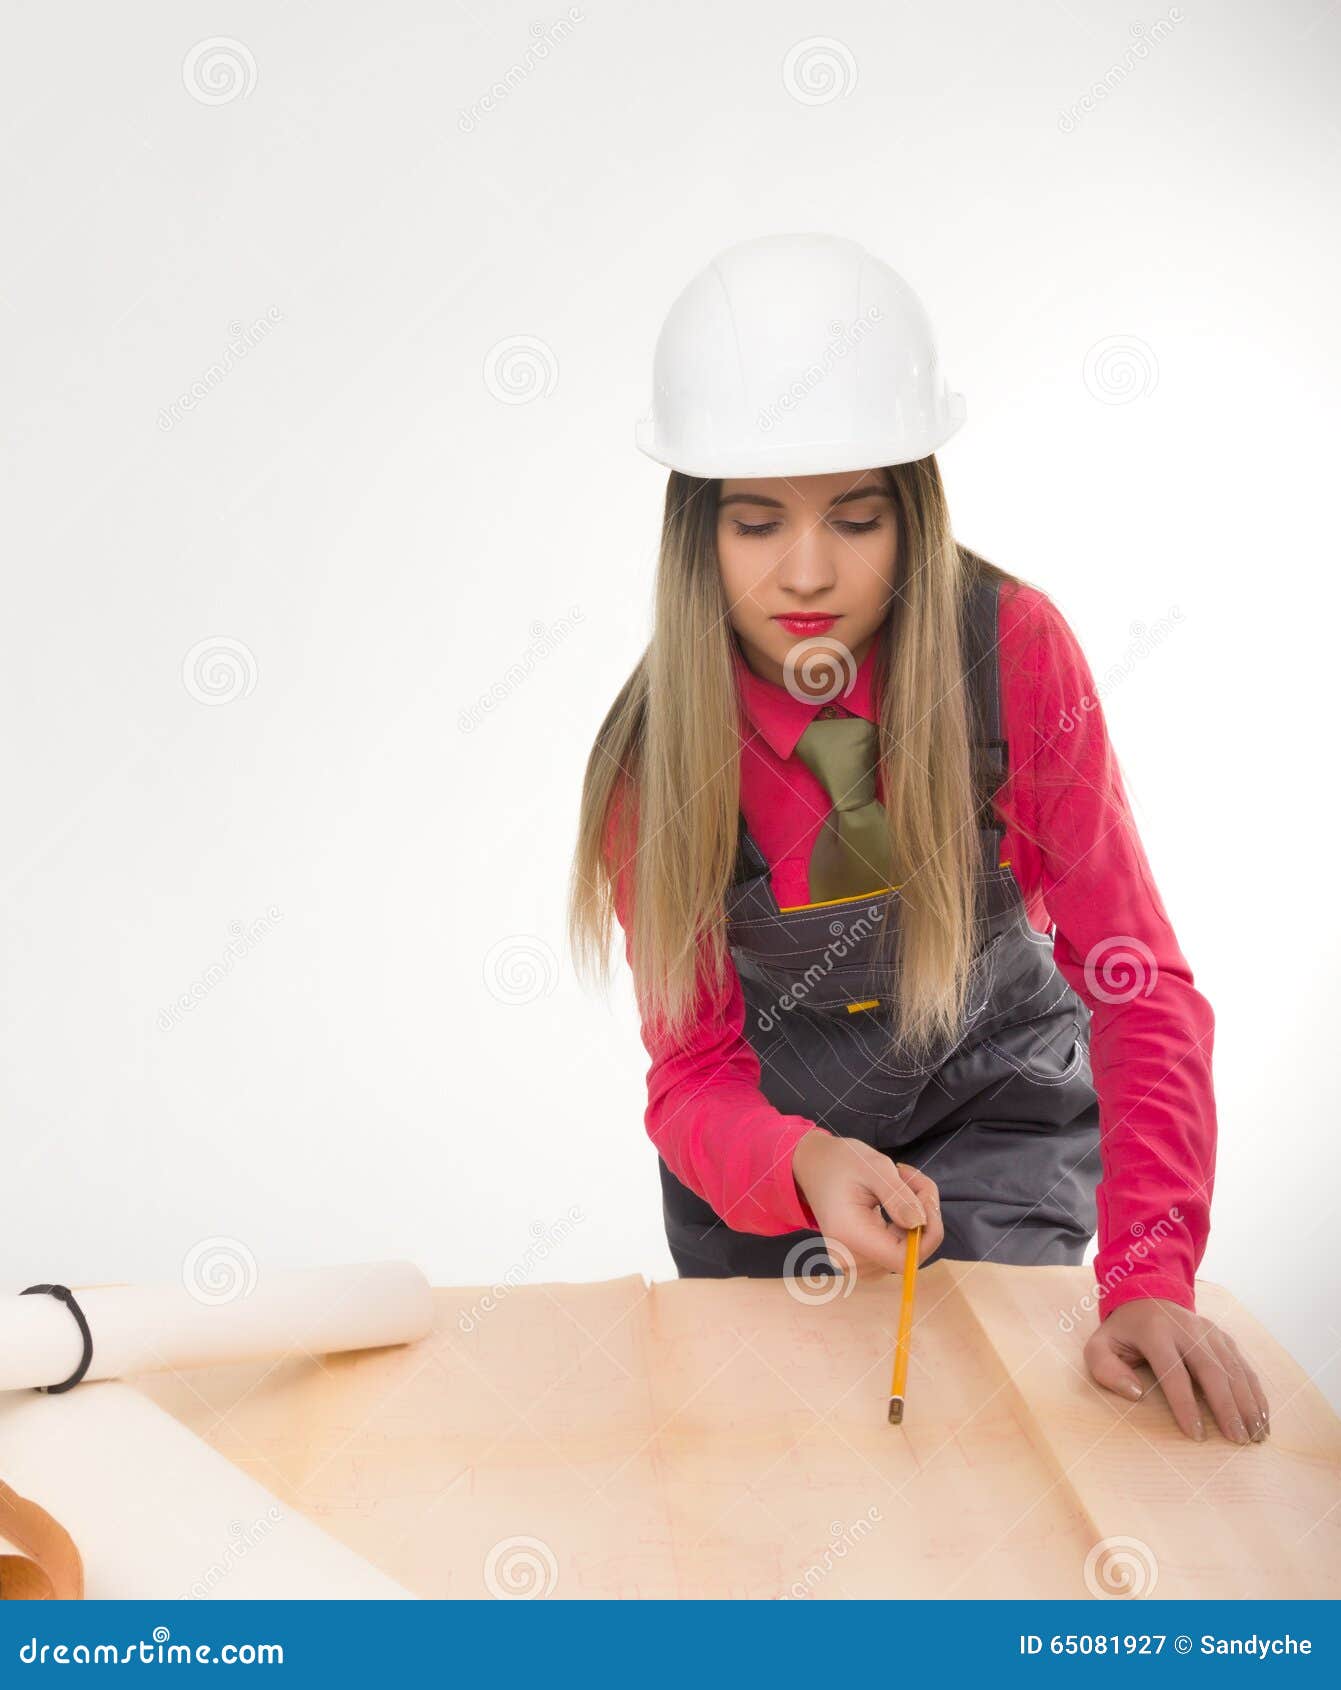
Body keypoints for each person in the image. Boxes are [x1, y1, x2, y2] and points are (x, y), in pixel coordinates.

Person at [567, 233, 1268, 1447]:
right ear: (697, 534)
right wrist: (802, 1166)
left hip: (999, 1125)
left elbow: (1135, 980)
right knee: (801, 1461)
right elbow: (692, 1078)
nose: (807, 573)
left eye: (855, 518)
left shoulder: (1014, 655)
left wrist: (1150, 1274)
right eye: (756, 524)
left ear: (914, 513)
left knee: (980, 1439)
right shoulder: (656, 758)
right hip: (774, 1173)